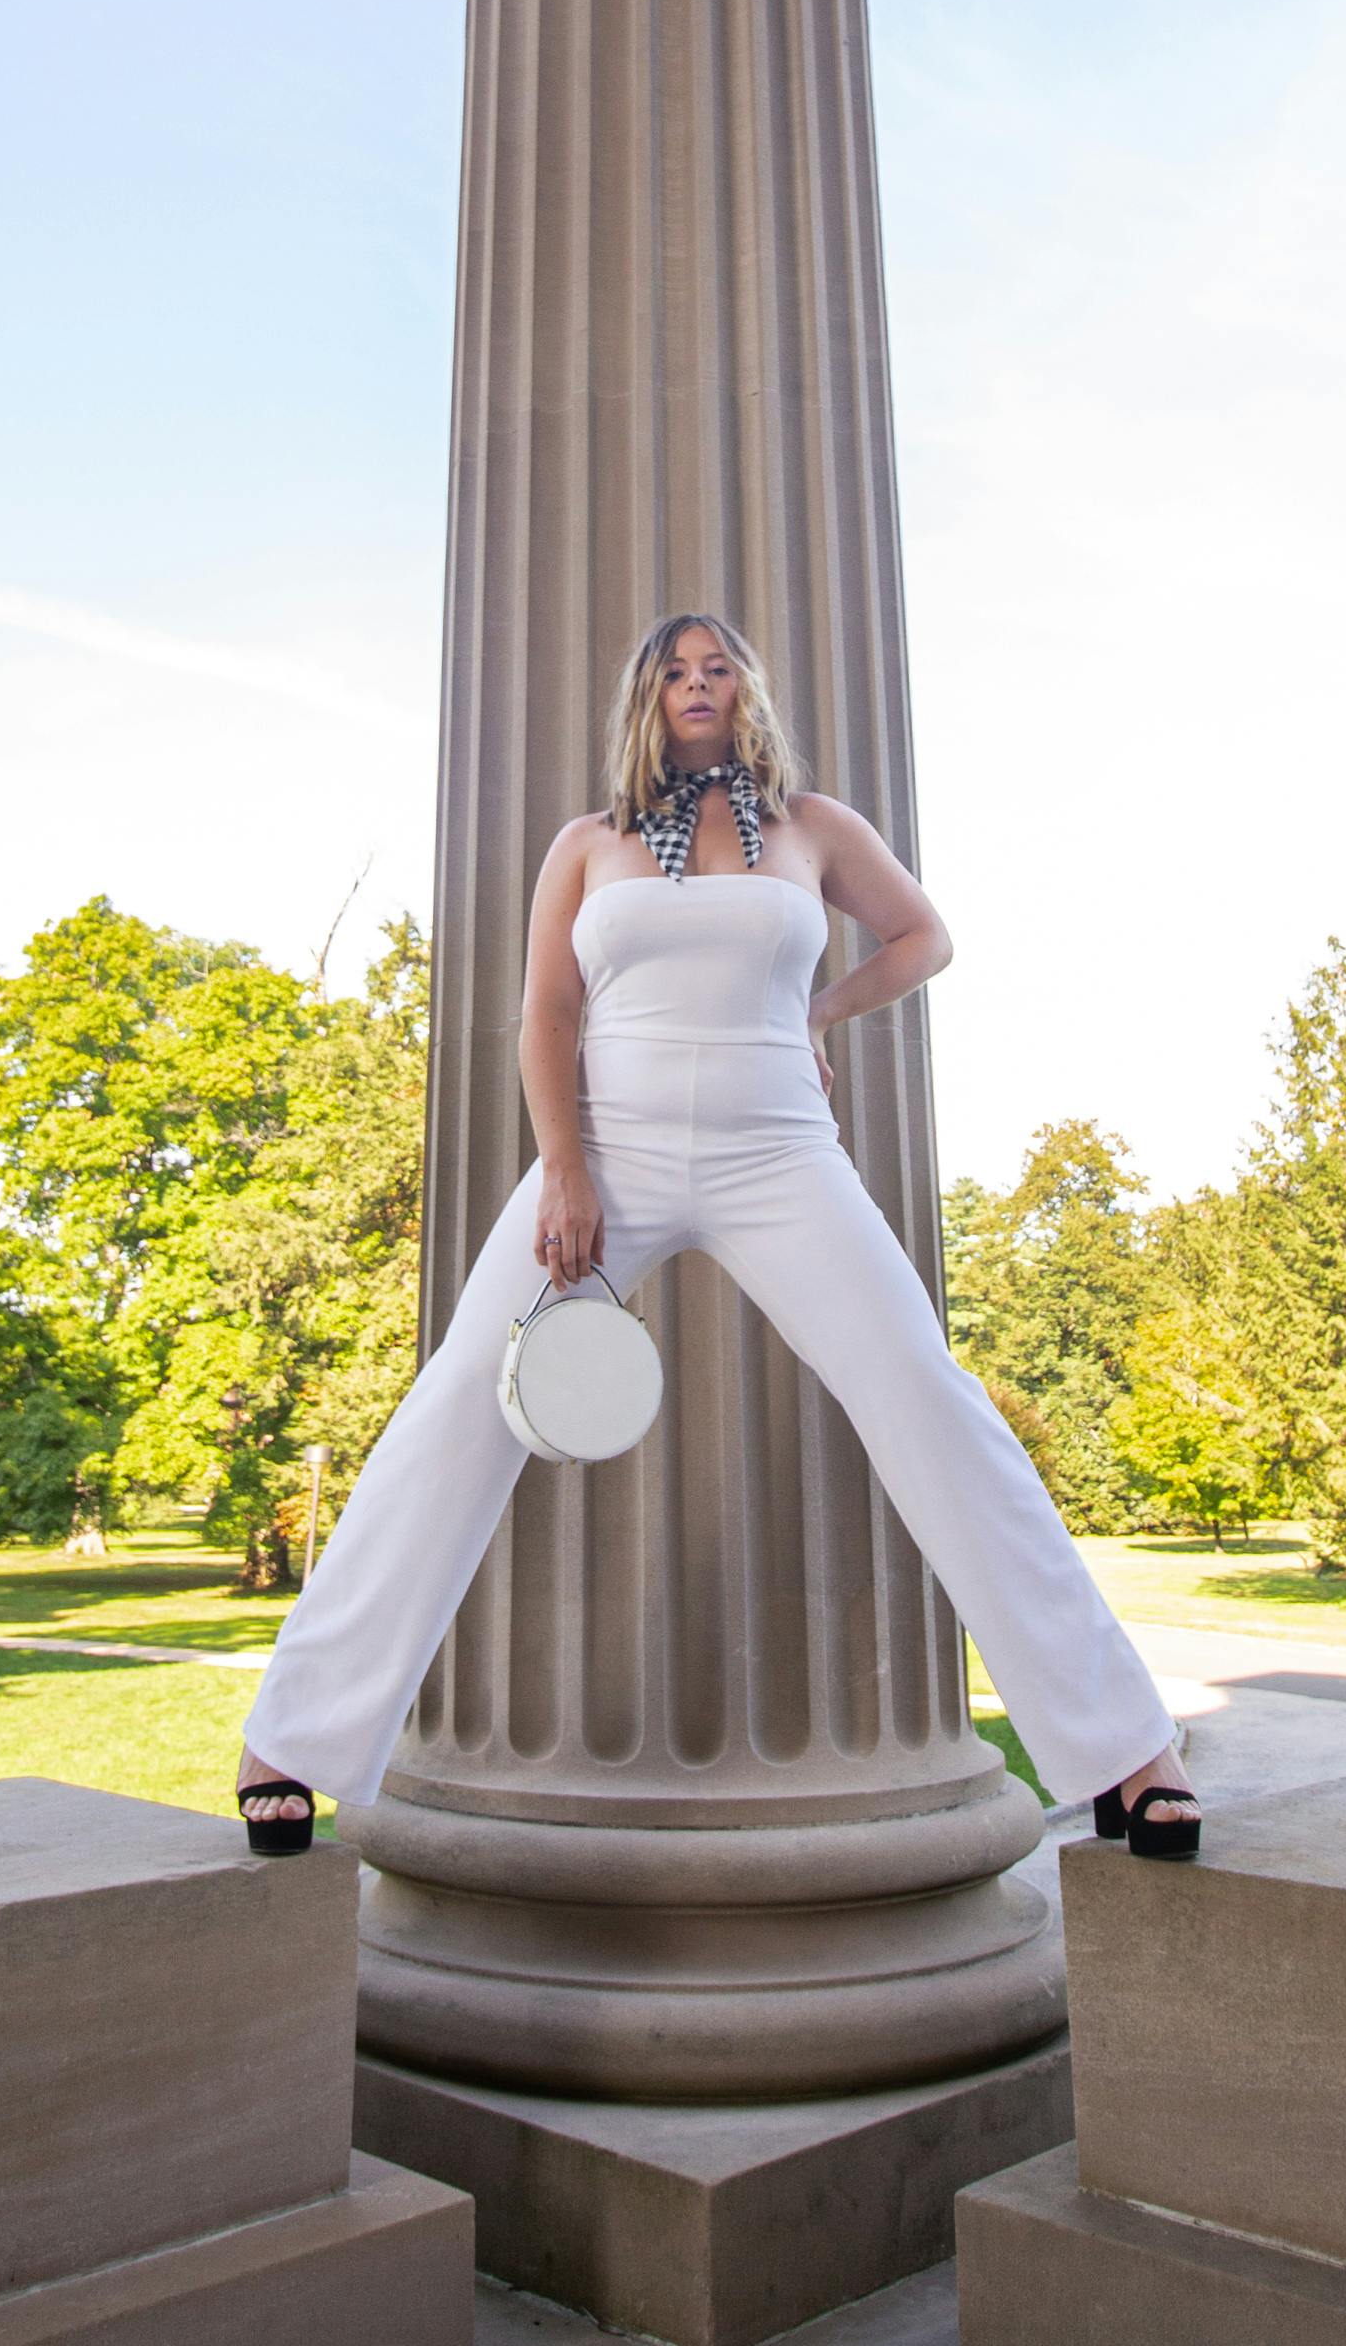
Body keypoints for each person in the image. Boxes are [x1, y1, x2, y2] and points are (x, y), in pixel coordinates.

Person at [236, 612, 1200, 1862]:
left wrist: (822, 1009)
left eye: (717, 669)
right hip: (612, 1152)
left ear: (747, 691)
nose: (698, 686)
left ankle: (1132, 1752)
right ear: (647, 701)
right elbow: (543, 1016)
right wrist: (566, 1172)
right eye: (674, 672)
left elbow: (924, 937)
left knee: (927, 1395)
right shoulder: (588, 846)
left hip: (781, 1153)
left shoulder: (810, 828)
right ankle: (291, 1743)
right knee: (462, 1401)